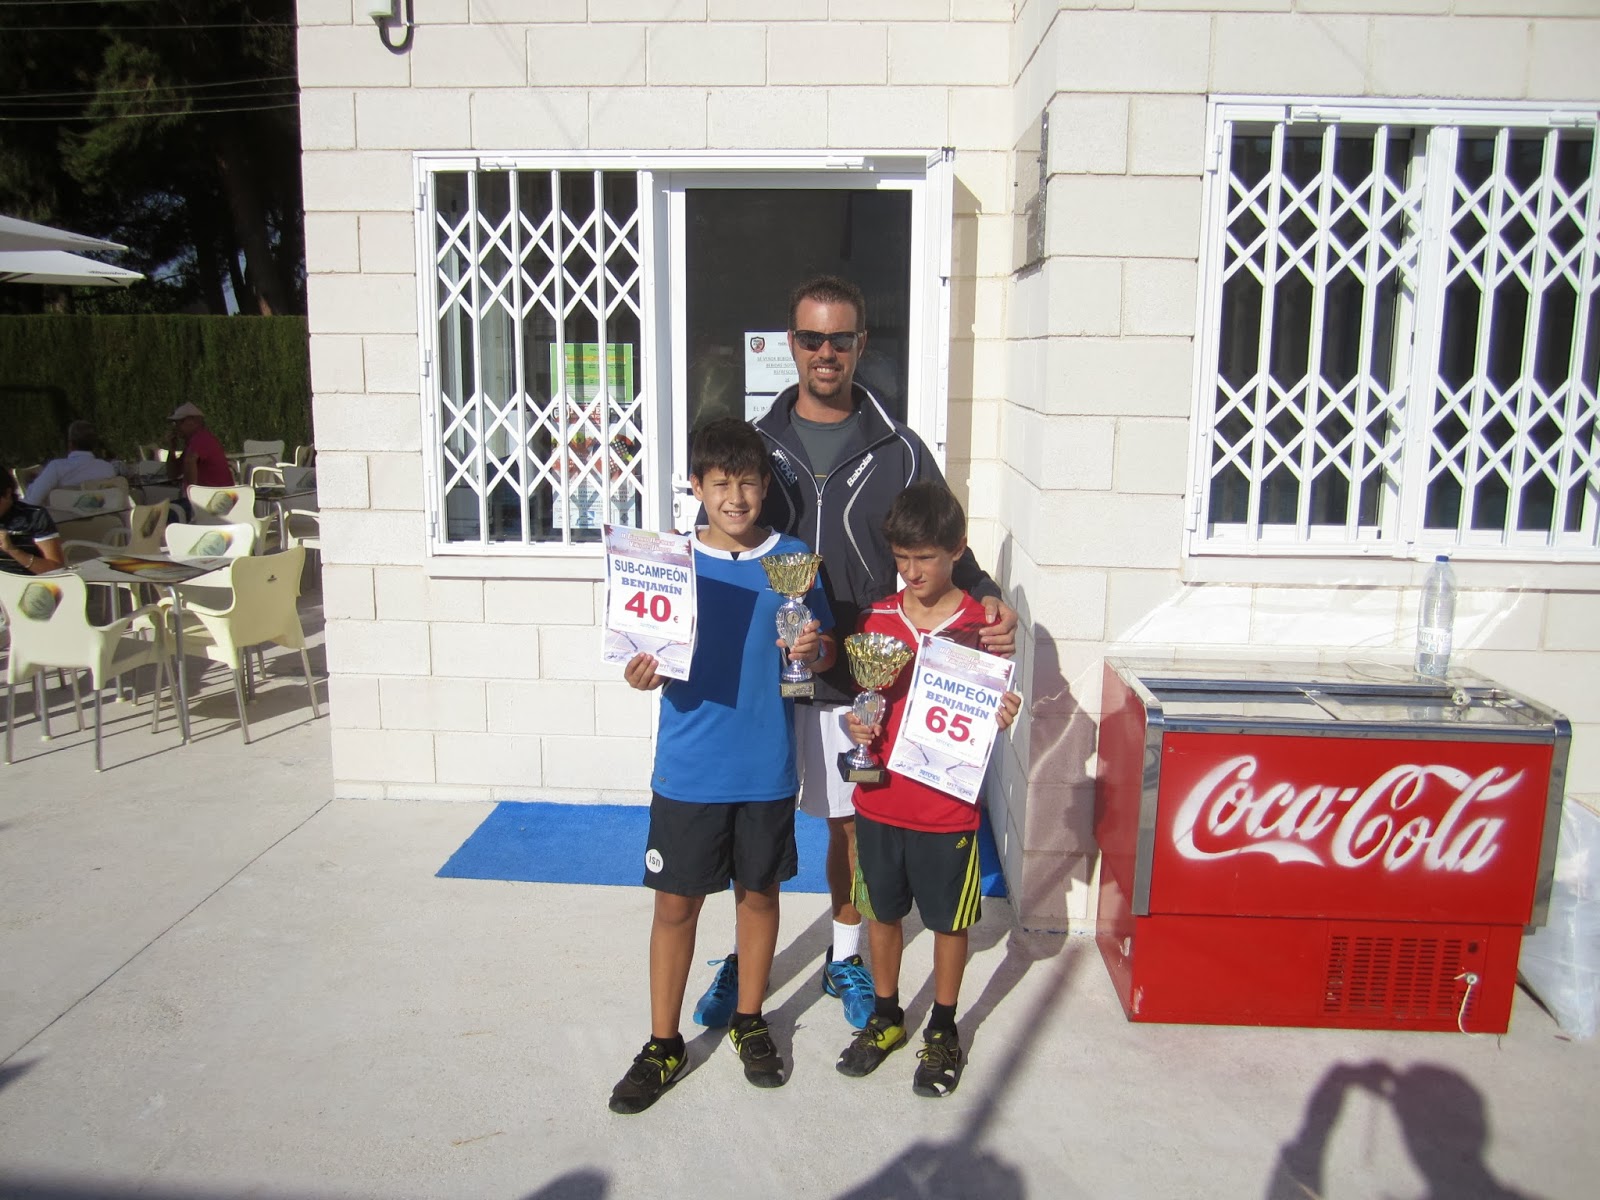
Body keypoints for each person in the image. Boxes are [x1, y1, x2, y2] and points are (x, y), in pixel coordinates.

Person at [691, 275, 1018, 1033]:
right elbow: (712, 539)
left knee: (851, 829)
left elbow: (940, 541)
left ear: (861, 345)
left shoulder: (901, 450)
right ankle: (746, 957)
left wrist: (989, 597)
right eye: (811, 338)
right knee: (756, 817)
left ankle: (844, 955)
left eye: (841, 338)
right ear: (790, 345)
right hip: (767, 672)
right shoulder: (757, 443)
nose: (826, 352)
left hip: (865, 677)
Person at [609, 417, 837, 1116]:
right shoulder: (666, 559)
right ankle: (662, 1041)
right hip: (689, 767)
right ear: (698, 488)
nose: (734, 497)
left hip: (766, 766)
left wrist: (814, 651)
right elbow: (637, 653)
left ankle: (748, 1019)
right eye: (719, 483)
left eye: (746, 482)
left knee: (759, 896)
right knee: (676, 904)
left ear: (765, 486)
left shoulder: (793, 558)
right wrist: (638, 674)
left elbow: (820, 649)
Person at [835, 482, 1021, 1098]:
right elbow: (864, 705)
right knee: (884, 912)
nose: (913, 572)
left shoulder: (982, 628)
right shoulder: (877, 620)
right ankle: (887, 1013)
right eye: (902, 557)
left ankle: (943, 1026)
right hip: (881, 798)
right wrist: (855, 724)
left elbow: (992, 702)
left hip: (948, 810)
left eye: (928, 558)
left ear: (957, 551)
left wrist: (1001, 708)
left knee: (946, 923)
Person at [21, 420, 117, 505]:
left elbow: (32, 502)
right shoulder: (108, 469)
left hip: (64, 524)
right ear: (94, 444)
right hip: (105, 522)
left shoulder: (56, 468)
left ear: (70, 444)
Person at [0, 466, 66, 576]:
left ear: (7, 493)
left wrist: (12, 550)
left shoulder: (33, 516)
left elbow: (56, 569)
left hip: (26, 584)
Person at [165, 402, 233, 491]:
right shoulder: (192, 443)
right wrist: (172, 448)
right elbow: (172, 474)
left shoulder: (201, 438)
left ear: (193, 421)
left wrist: (190, 495)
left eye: (179, 422)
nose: (176, 427)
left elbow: (190, 460)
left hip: (216, 497)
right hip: (212, 496)